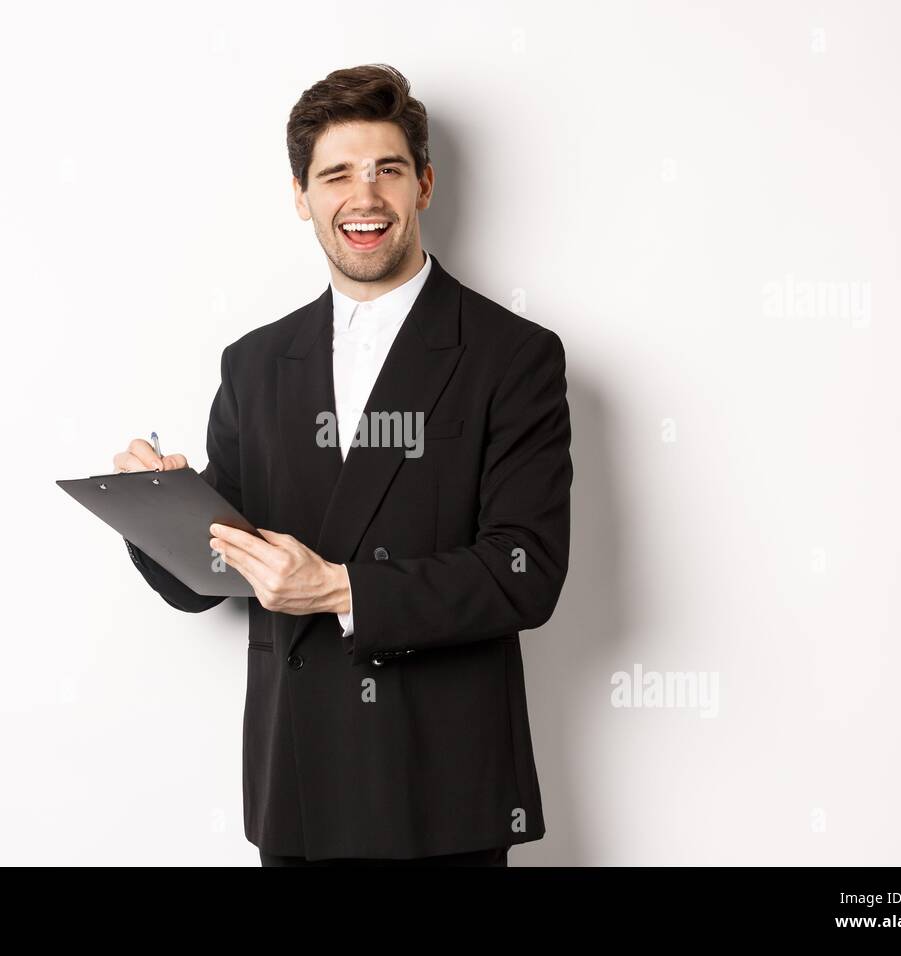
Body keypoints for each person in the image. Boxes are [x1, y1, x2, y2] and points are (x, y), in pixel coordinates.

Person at [113, 64, 572, 866]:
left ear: (424, 185)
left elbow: (523, 573)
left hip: (443, 792)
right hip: (298, 785)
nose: (364, 198)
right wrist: (157, 508)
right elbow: (212, 576)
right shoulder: (254, 363)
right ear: (301, 196)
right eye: (335, 175)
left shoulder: (513, 356)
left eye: (387, 170)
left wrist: (339, 588)